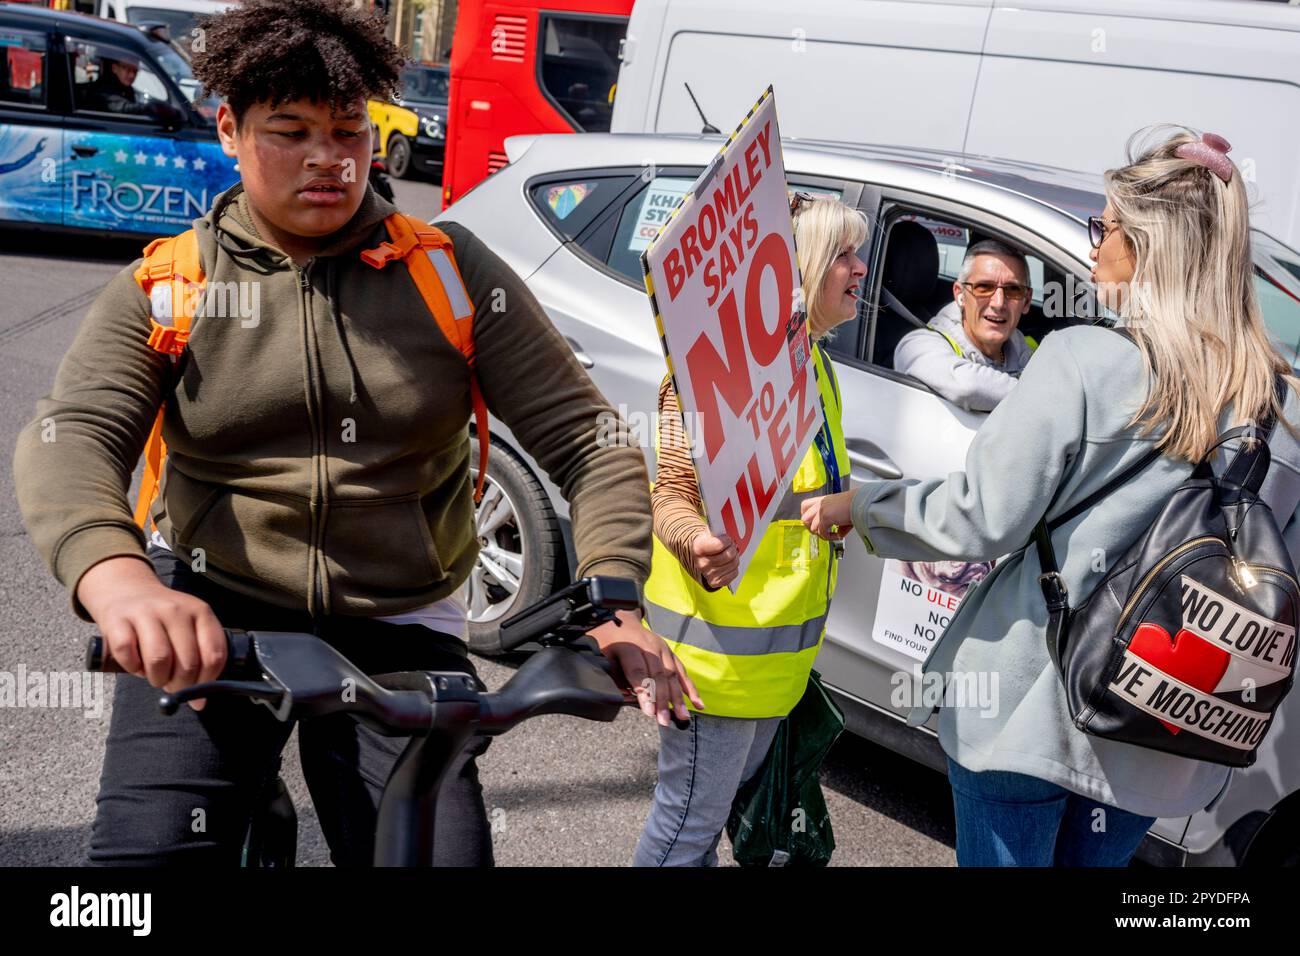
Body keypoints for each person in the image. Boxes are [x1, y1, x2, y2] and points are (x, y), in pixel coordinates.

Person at [12, 0, 698, 867]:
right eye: (289, 131)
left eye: (347, 131)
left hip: (401, 618)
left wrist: (613, 599)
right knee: (145, 871)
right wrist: (115, 579)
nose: (327, 159)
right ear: (228, 128)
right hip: (212, 608)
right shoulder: (172, 280)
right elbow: (69, 435)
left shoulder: (451, 272)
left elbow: (589, 440)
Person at [801, 127, 1300, 866]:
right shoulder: (1261, 384)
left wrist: (862, 508)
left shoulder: (1083, 359)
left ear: (1147, 247)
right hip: (1152, 725)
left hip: (1032, 702)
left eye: (1106, 228)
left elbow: (982, 514)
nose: (1095, 247)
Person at [633, 193, 867, 866]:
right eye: (843, 255)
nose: (860, 268)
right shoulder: (711, 373)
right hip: (712, 663)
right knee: (687, 826)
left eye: (857, 251)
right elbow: (670, 495)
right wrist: (696, 542)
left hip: (772, 662)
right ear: (798, 270)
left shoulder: (815, 364)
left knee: (702, 827)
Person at [893, 239, 1034, 412]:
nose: (998, 303)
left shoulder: (1031, 353)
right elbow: (968, 387)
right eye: (984, 287)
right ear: (960, 295)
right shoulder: (917, 344)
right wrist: (1044, 396)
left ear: (1026, 301)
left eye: (1013, 290)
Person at [82, 54, 151, 116]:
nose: (132, 75)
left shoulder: (126, 88)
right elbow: (122, 107)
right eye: (128, 69)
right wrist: (149, 108)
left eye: (135, 71)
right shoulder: (103, 89)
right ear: (114, 68)